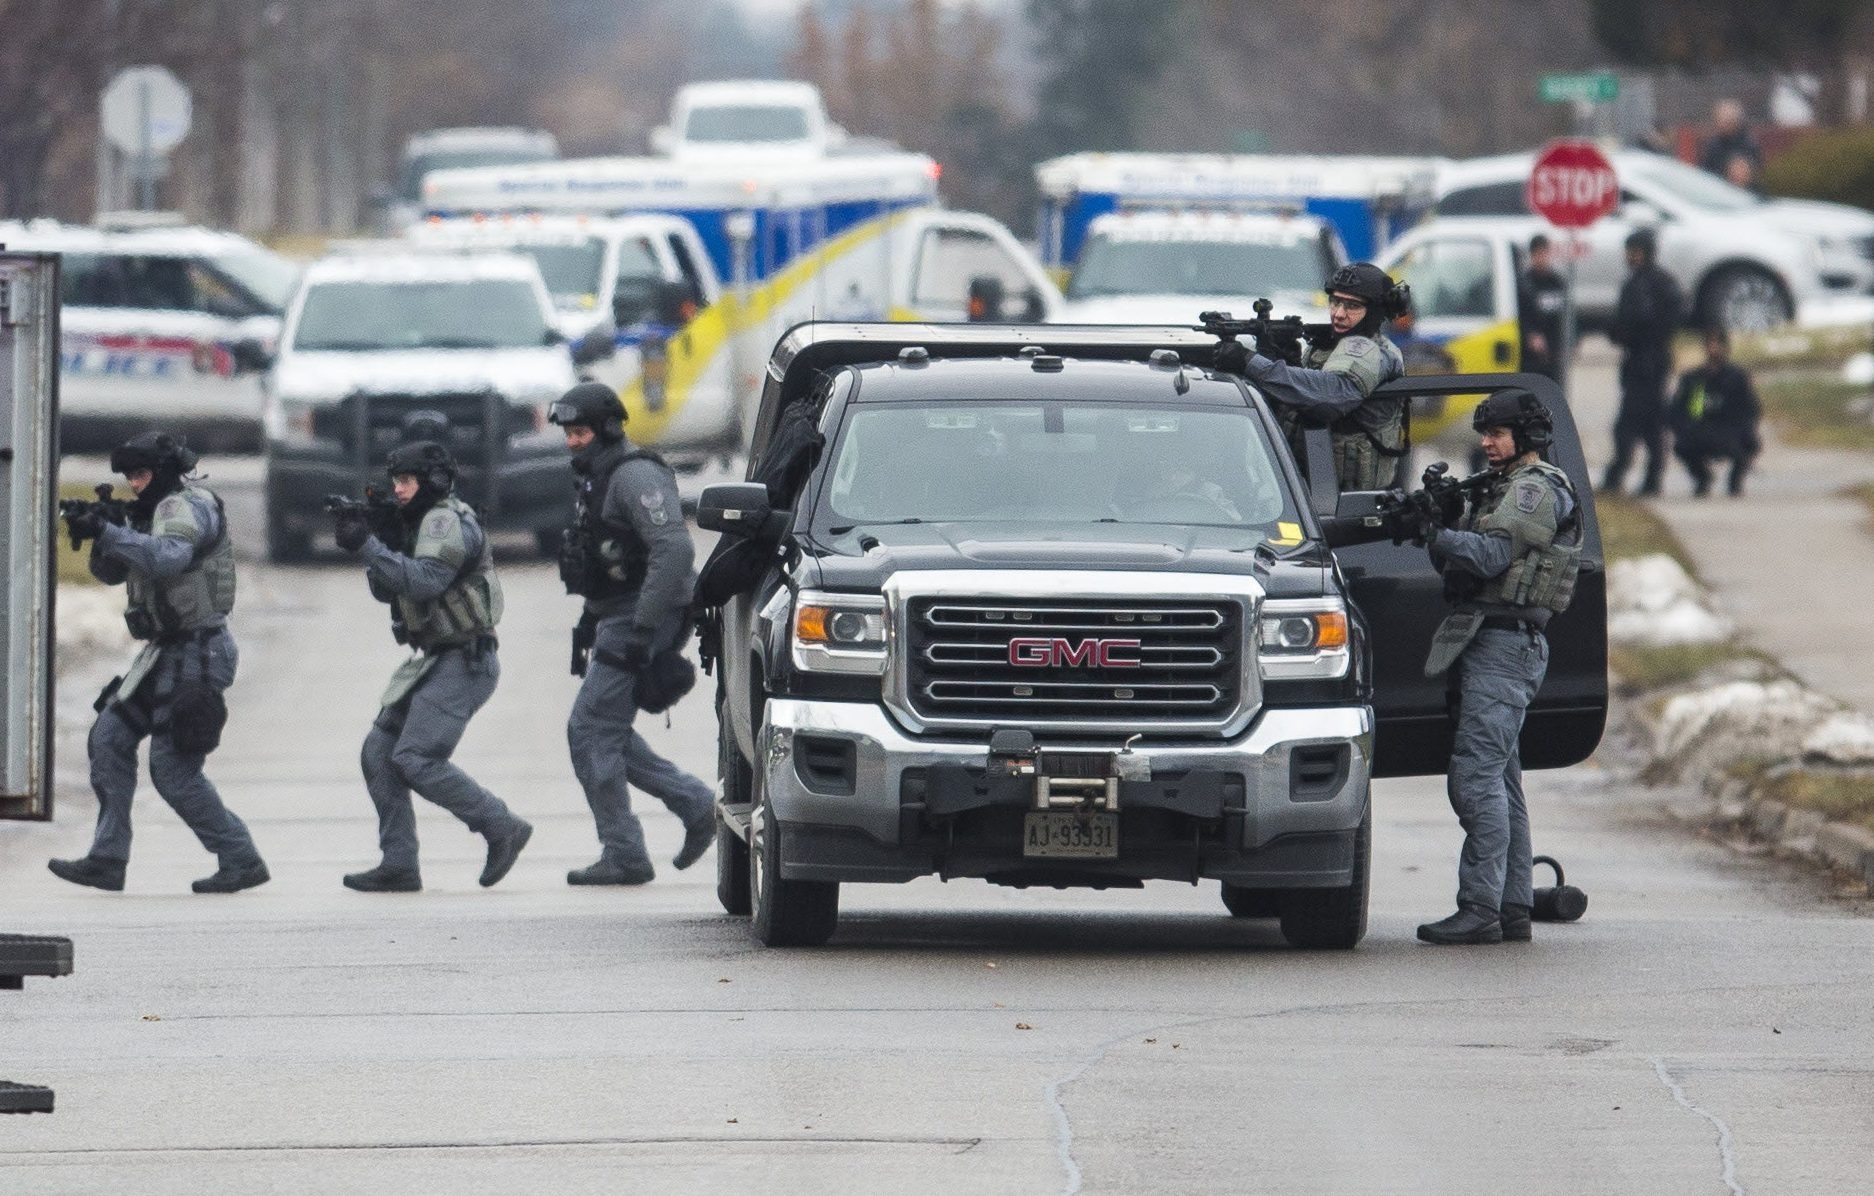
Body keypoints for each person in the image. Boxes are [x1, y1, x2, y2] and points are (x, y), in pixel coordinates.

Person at [49, 432, 269, 893]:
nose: (133, 484)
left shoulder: (187, 507)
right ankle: (108, 858)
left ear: (165, 471)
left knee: (173, 770)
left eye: (141, 474)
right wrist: (100, 533)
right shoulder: (148, 512)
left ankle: (240, 857)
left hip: (200, 652)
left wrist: (113, 532)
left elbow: (169, 558)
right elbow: (108, 575)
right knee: (109, 737)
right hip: (163, 652)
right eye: (129, 476)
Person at [1414, 390, 1581, 945]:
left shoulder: (1533, 490)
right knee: (1502, 781)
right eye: (1485, 432)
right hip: (1493, 640)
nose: (1487, 442)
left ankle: (1479, 905)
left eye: (1498, 433)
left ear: (1527, 436)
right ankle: (1510, 907)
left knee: (1475, 777)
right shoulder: (1506, 486)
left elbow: (1488, 557)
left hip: (1505, 643)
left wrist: (1434, 534)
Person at [332, 440, 533, 892]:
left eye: (406, 482)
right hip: (436, 660)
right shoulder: (419, 522)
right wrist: (379, 538)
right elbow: (387, 592)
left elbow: (424, 582)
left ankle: (501, 826)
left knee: (415, 758)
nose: (399, 490)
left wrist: (369, 545)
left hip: (466, 661)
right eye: (395, 482)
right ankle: (399, 862)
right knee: (379, 751)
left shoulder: (444, 521)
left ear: (432, 482)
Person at [551, 381, 714, 885]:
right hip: (621, 615)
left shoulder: (634, 475)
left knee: (589, 730)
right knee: (605, 730)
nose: (572, 442)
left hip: (644, 617)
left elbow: (675, 553)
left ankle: (625, 853)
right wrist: (591, 619)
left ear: (607, 429)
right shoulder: (598, 477)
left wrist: (643, 628)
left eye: (579, 432)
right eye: (568, 433)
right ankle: (695, 806)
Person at [1215, 262, 1409, 490]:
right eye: (1335, 301)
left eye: (1352, 306)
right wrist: (1285, 361)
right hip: (1306, 493)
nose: (1338, 313)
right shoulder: (1326, 348)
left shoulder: (1371, 351)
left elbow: (1329, 395)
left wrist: (1251, 362)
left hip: (1350, 505)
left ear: (1374, 311)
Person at [1602, 228, 1684, 497]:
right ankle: (1629, 473)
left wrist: (1636, 333)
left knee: (1641, 423)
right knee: (1638, 423)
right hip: (1636, 361)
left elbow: (1661, 322)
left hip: (1651, 362)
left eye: (1634, 251)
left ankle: (1634, 473)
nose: (1630, 256)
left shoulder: (1659, 284)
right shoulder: (1633, 283)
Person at [1669, 327, 1762, 497]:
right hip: (1702, 429)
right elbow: (1681, 410)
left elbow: (1750, 409)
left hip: (1730, 429)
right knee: (1682, 445)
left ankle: (1736, 480)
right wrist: (1686, 427)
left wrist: (1743, 429)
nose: (1713, 348)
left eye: (1717, 344)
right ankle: (1702, 478)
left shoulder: (1737, 377)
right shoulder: (1694, 378)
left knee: (1750, 442)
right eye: (1709, 344)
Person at [1517, 234, 1568, 384]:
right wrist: (1530, 335)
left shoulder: (1556, 282)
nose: (1541, 258)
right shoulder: (1524, 284)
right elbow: (1520, 316)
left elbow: (1564, 315)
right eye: (1538, 254)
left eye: (1544, 253)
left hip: (1553, 352)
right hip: (1530, 355)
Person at [1699, 99, 1764, 192]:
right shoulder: (1712, 146)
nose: (1724, 124)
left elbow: (1755, 172)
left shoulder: (1748, 145)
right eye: (1721, 120)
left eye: (1729, 121)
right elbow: (1705, 173)